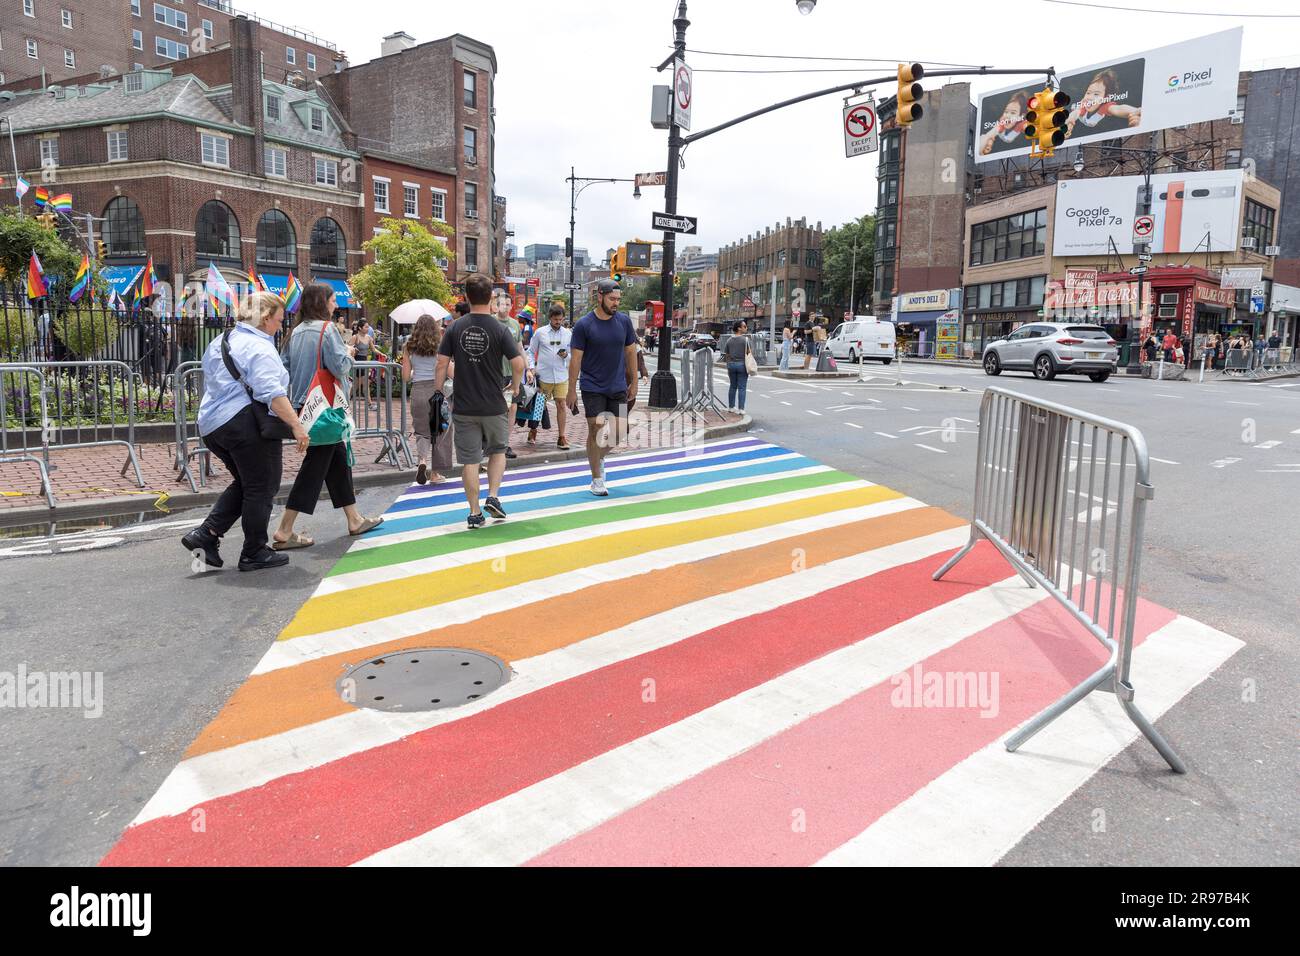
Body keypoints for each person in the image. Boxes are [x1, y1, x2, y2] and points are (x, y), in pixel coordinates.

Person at [182, 291, 309, 572]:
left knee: (247, 483)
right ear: (265, 319)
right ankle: (254, 551)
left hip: (214, 424)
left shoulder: (222, 340)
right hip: (245, 424)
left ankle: (207, 534)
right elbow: (271, 392)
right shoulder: (259, 347)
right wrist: (297, 426)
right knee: (262, 485)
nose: (280, 325)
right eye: (279, 320)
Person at [271, 284, 383, 549]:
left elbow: (283, 367)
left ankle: (354, 518)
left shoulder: (295, 331)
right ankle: (285, 528)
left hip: (303, 404)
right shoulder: (327, 329)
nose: (335, 305)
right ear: (323, 303)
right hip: (326, 407)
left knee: (337, 460)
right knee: (315, 465)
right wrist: (349, 353)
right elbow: (340, 366)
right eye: (333, 301)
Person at [436, 273, 524, 529]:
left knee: (470, 460)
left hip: (464, 405)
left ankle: (474, 512)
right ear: (492, 298)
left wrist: (438, 390)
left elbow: (442, 363)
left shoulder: (455, 327)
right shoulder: (500, 329)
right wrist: (515, 387)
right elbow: (518, 362)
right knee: (497, 451)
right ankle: (493, 496)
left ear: (465, 297)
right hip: (494, 404)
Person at [567, 277, 638, 497]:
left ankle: (599, 456)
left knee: (622, 428)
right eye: (612, 298)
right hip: (592, 385)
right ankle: (596, 478)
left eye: (618, 299)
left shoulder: (624, 322)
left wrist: (634, 381)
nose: (616, 303)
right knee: (595, 429)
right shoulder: (584, 325)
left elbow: (630, 352)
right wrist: (571, 390)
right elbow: (576, 360)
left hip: (617, 385)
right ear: (599, 297)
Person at [401, 314, 453, 485]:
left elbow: (406, 377)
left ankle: (422, 461)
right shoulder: (440, 346)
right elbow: (449, 371)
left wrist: (417, 370)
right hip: (436, 390)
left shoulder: (408, 346)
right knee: (440, 430)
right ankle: (435, 474)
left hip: (418, 392)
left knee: (421, 431)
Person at [530, 303, 572, 450]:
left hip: (561, 375)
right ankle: (533, 430)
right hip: (544, 376)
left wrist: (566, 355)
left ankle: (561, 437)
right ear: (550, 318)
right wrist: (531, 368)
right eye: (555, 320)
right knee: (539, 405)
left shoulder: (567, 333)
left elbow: (573, 354)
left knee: (561, 404)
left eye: (560, 319)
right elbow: (530, 351)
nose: (558, 322)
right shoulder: (540, 332)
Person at [495, 292, 522, 459]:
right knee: (496, 409)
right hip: (494, 373)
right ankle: (492, 442)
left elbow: (519, 349)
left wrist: (527, 369)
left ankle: (505, 443)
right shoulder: (490, 321)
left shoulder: (515, 324)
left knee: (512, 408)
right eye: (501, 303)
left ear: (511, 306)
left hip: (511, 374)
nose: (504, 307)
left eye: (507, 304)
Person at [723, 320, 752, 413]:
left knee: (732, 386)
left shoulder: (729, 340)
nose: (746, 328)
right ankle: (741, 409)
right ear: (739, 328)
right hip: (742, 365)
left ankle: (731, 407)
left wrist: (728, 366)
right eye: (744, 326)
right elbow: (749, 353)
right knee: (742, 388)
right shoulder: (745, 340)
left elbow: (726, 354)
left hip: (731, 365)